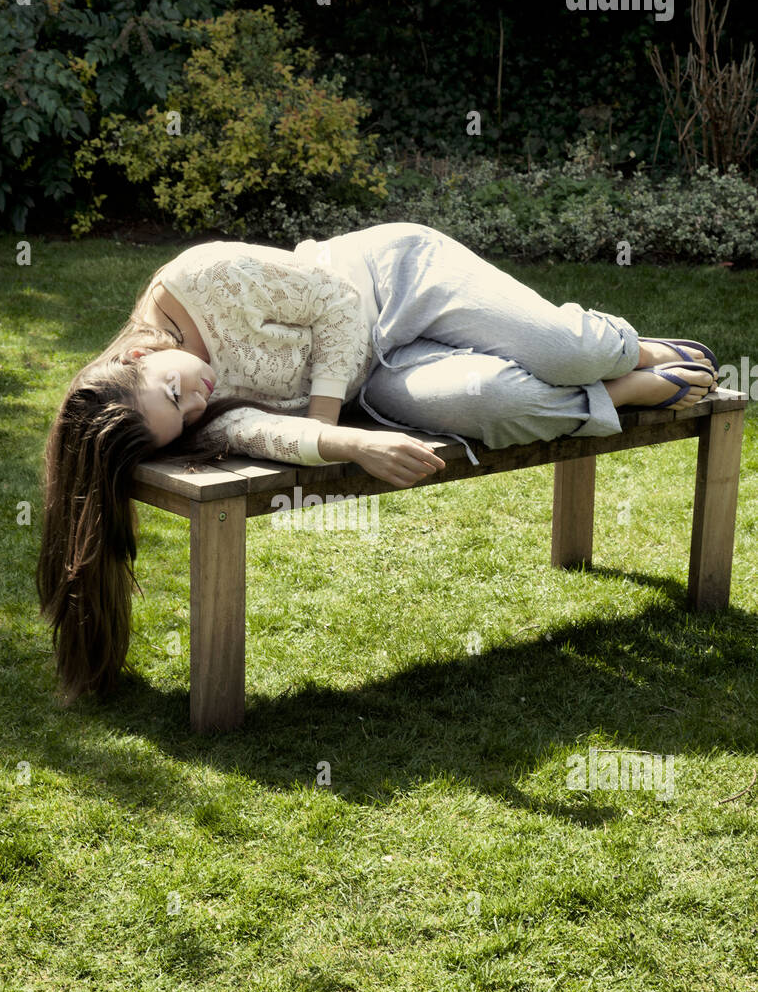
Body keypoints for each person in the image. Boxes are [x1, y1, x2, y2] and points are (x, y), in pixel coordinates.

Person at [36, 222, 718, 704]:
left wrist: (326, 419)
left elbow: (335, 305)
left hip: (397, 280)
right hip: (379, 380)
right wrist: (354, 443)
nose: (198, 401)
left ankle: (629, 354)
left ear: (137, 357)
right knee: (493, 401)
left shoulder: (198, 279)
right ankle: (619, 393)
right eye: (184, 418)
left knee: (566, 353)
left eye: (176, 391)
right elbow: (259, 432)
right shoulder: (181, 414)